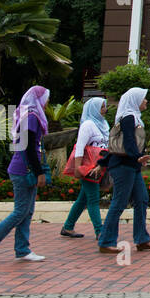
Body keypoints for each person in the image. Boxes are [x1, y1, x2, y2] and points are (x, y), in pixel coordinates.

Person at [0, 86, 51, 263]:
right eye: (46, 99)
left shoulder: (28, 115)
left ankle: (22, 249)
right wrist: (39, 172)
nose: (47, 103)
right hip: (24, 170)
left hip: (23, 169)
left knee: (27, 211)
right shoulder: (32, 117)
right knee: (20, 212)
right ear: (39, 99)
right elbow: (29, 148)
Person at [97, 87, 150, 255]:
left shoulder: (134, 117)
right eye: (143, 98)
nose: (146, 101)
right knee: (119, 203)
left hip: (132, 166)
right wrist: (137, 156)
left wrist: (137, 158)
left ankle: (142, 239)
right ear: (135, 101)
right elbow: (129, 142)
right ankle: (106, 241)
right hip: (124, 166)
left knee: (141, 199)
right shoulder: (128, 117)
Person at [61, 96, 109, 240]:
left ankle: (68, 227)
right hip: (88, 166)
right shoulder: (88, 125)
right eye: (102, 107)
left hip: (99, 165)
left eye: (104, 106)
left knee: (83, 199)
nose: (105, 110)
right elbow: (80, 147)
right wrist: (78, 168)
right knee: (93, 199)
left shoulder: (103, 124)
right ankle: (99, 231)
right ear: (93, 109)